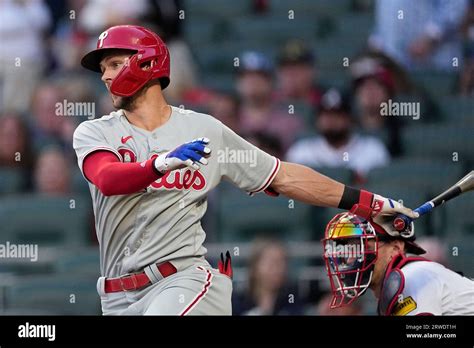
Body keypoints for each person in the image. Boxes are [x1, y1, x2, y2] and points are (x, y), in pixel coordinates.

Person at [73, 25, 417, 316]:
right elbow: (107, 179)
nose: (105, 75)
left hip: (184, 280)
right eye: (103, 68)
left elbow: (283, 176)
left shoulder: (204, 130)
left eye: (115, 64)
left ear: (146, 63)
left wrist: (370, 203)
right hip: (117, 294)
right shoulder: (94, 132)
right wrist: (160, 164)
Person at [321, 212, 474, 315]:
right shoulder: (395, 286)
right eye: (349, 251)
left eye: (361, 247)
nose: (349, 260)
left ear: (395, 248)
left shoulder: (413, 277)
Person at [286, 88, 390, 179]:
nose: (331, 120)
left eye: (338, 114)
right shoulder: (301, 152)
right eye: (326, 115)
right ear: (317, 119)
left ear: (350, 118)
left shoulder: (373, 149)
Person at [236, 50, 304, 152]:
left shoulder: (288, 122)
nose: (253, 81)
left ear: (271, 82)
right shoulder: (227, 119)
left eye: (259, 76)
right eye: (246, 76)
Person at [233, 238, 305, 315]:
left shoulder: (293, 299)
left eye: (282, 262)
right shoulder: (238, 301)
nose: (279, 269)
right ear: (254, 266)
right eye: (272, 263)